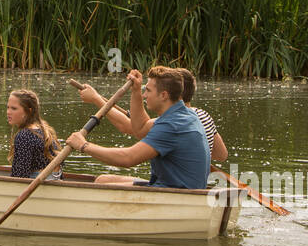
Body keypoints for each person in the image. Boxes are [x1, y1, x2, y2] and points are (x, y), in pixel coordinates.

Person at [66, 67, 209, 188]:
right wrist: (135, 92)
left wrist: (84, 146)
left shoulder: (172, 125)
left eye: (148, 91)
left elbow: (128, 158)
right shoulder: (186, 114)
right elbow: (140, 128)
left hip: (176, 193)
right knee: (102, 180)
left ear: (164, 95)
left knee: (101, 188)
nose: (145, 95)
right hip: (172, 186)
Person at [74, 70, 227, 163]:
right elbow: (221, 155)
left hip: (180, 188)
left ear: (167, 93)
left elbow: (131, 127)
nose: (145, 94)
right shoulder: (202, 115)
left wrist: (96, 99)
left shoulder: (174, 123)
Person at [6, 89, 62, 180]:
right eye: (8, 107)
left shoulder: (24, 136)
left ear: (29, 111)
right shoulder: (44, 130)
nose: (8, 112)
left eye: (14, 108)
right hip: (54, 181)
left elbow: (19, 177)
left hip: (40, 186)